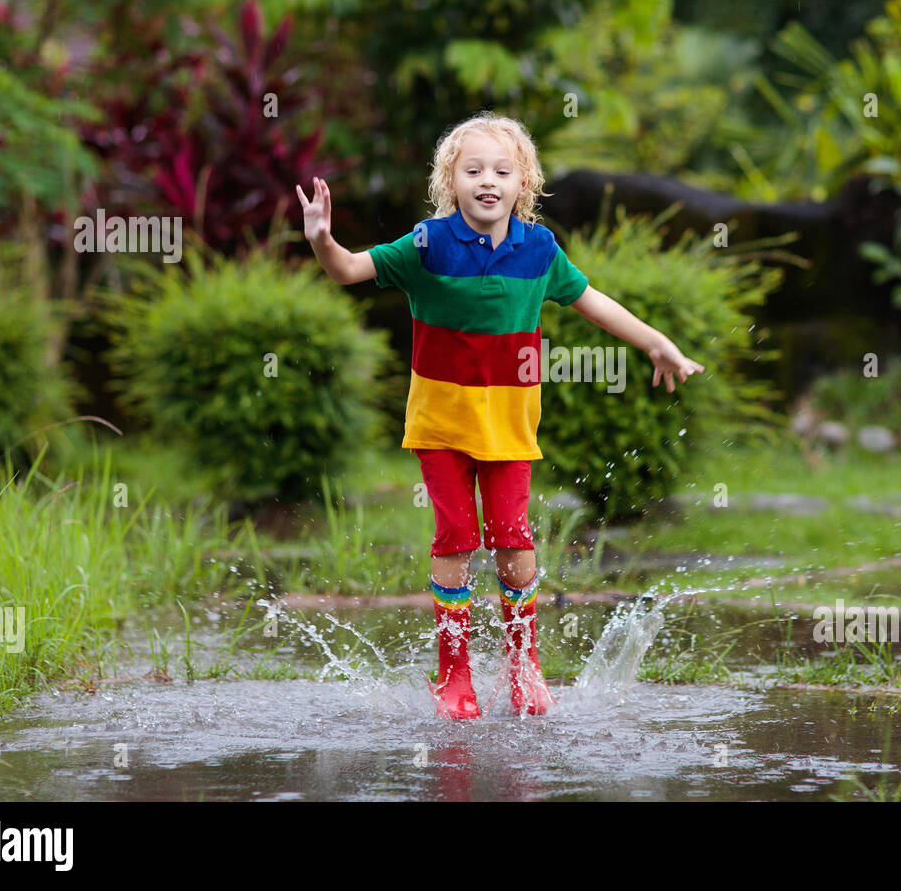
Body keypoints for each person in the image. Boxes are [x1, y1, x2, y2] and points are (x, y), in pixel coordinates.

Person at [295, 110, 703, 719]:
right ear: (450, 181)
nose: (489, 180)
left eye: (503, 171)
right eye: (474, 169)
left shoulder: (538, 250)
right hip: (439, 425)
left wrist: (654, 342)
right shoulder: (427, 245)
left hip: (510, 428)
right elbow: (350, 269)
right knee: (455, 536)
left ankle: (524, 664)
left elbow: (594, 303)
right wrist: (322, 240)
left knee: (513, 539)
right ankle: (454, 675)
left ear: (523, 185)